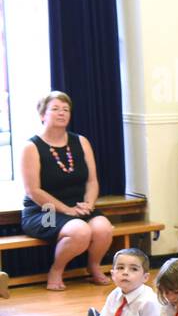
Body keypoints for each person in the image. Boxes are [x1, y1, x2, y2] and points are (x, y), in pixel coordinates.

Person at [19, 91, 117, 291]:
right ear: (42, 115)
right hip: (44, 210)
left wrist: (89, 203)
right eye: (55, 109)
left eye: (65, 109)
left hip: (78, 206)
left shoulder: (81, 141)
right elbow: (33, 191)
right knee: (80, 231)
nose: (61, 113)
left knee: (103, 228)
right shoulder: (31, 146)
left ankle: (94, 266)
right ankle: (56, 270)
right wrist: (67, 210)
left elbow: (91, 181)